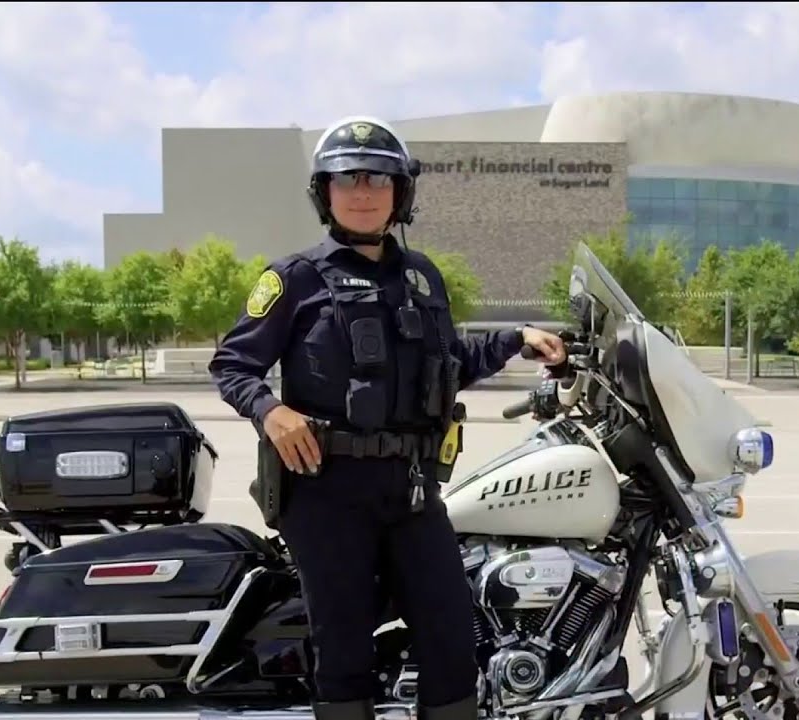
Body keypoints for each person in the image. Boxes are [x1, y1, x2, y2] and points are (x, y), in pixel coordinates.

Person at [208, 115, 566, 720]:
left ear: (401, 192)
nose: (364, 192)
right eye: (348, 180)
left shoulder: (423, 276)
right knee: (344, 653)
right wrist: (271, 412)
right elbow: (232, 364)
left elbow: (449, 362)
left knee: (453, 642)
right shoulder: (294, 278)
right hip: (327, 493)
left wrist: (516, 338)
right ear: (326, 193)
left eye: (379, 179)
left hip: (412, 491)